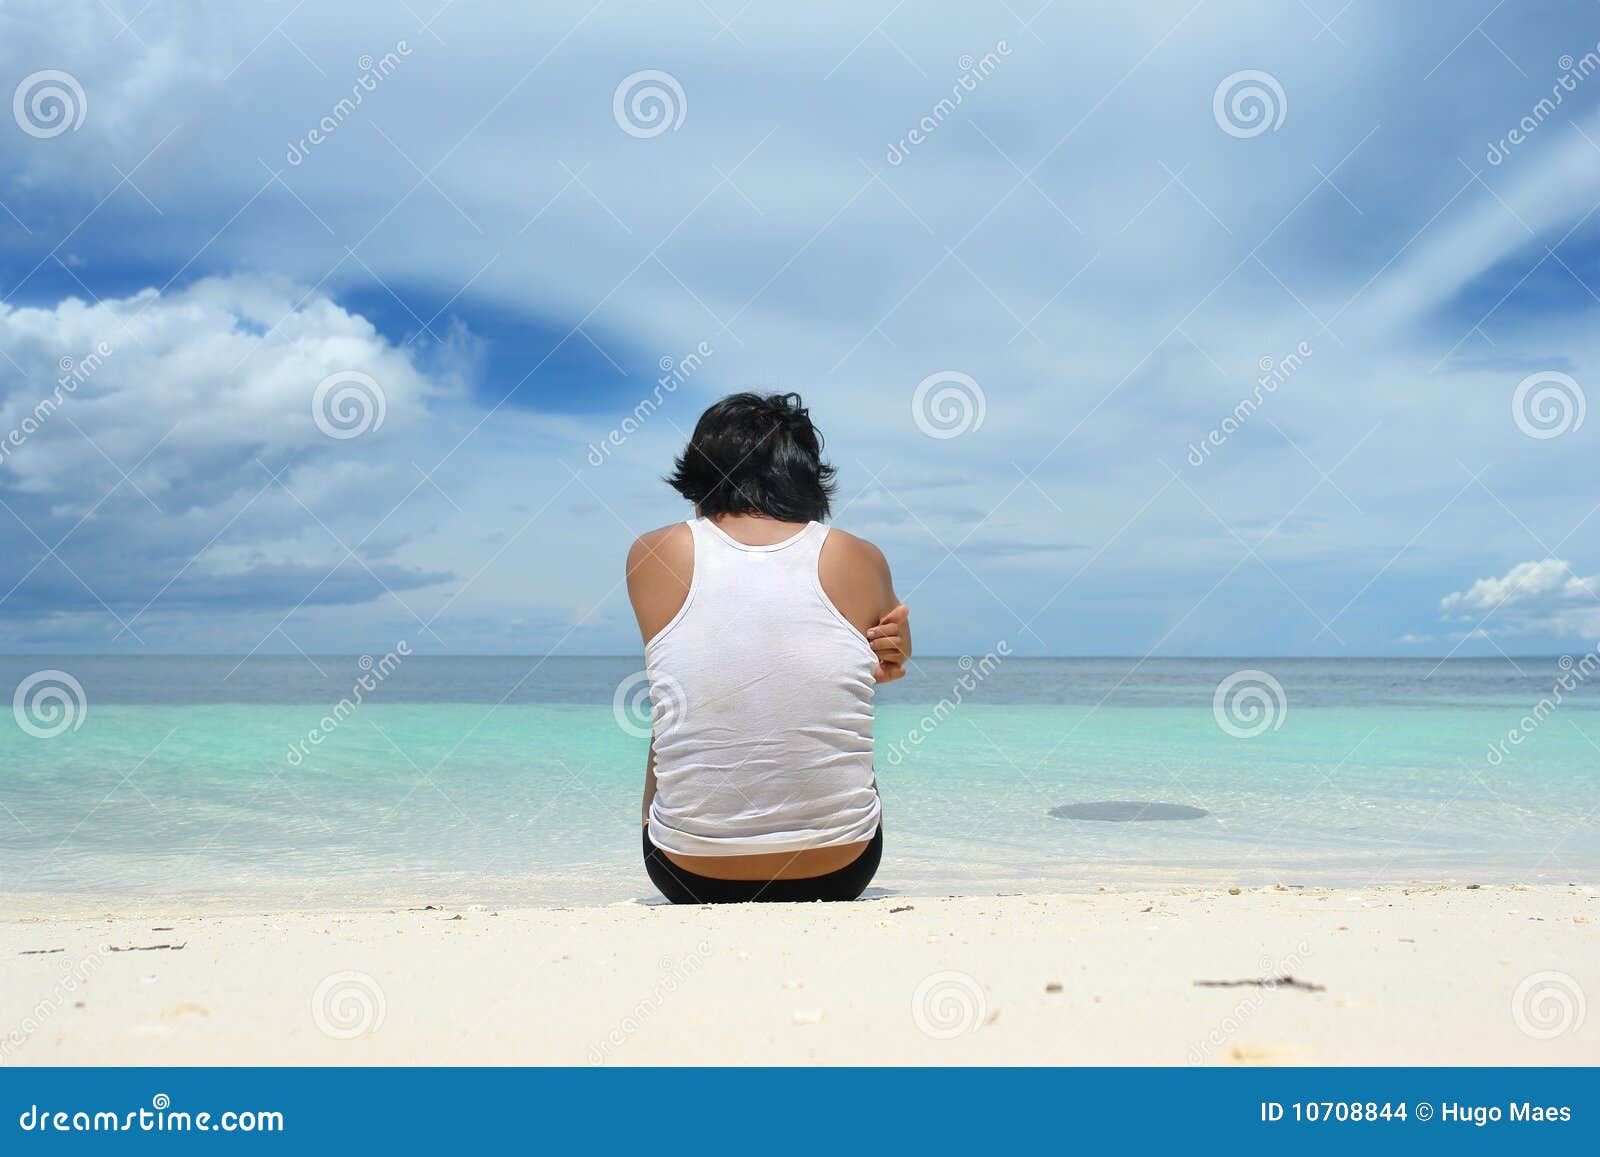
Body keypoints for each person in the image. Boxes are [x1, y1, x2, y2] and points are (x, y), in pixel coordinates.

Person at [626, 392, 911, 903]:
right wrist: (894, 657)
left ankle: (695, 832)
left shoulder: (653, 553)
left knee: (671, 706)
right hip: (842, 869)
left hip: (687, 876)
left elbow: (712, 662)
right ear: (806, 477)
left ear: (699, 474)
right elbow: (887, 656)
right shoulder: (860, 556)